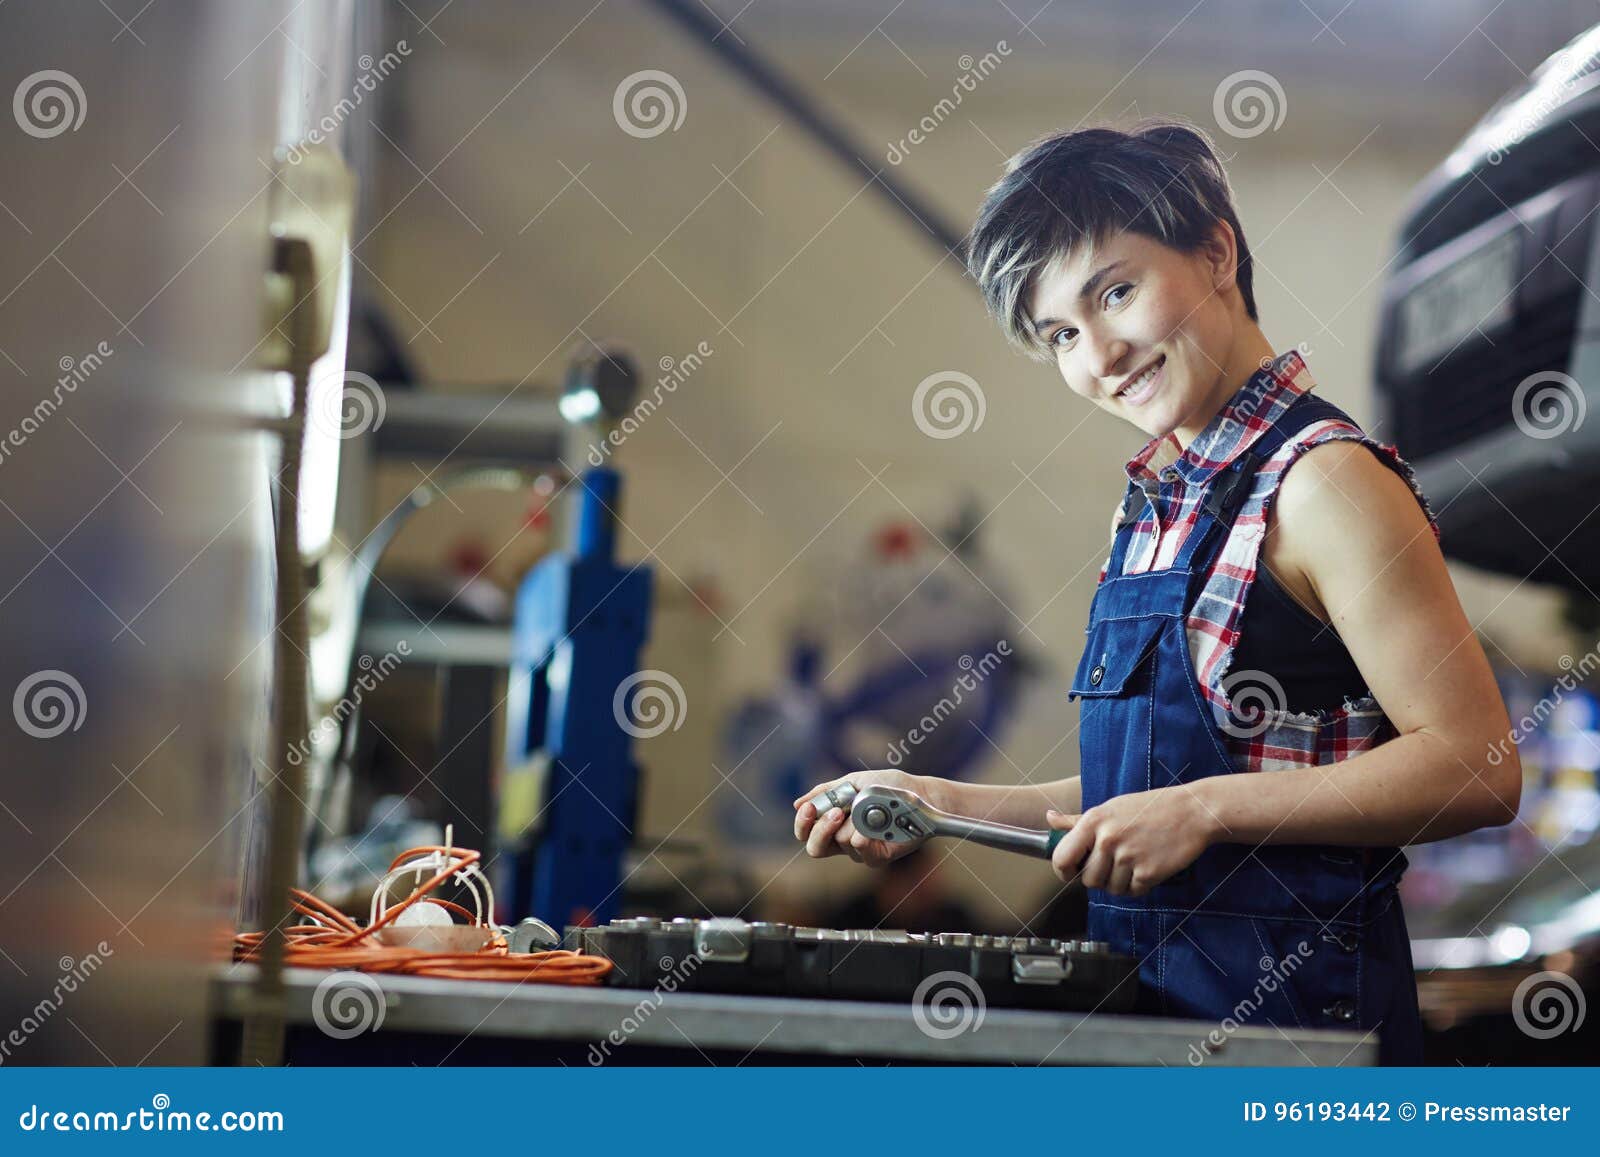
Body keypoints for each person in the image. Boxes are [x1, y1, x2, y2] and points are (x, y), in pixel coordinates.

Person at [794, 118, 1522, 1065]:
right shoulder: (1154, 505)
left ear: (1217, 252)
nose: (1097, 355)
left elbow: (1477, 765)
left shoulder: (1323, 483)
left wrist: (1208, 810)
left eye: (1117, 292)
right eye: (1060, 332)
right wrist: (931, 799)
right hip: (1154, 1014)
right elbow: (1145, 792)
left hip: (1299, 1030)